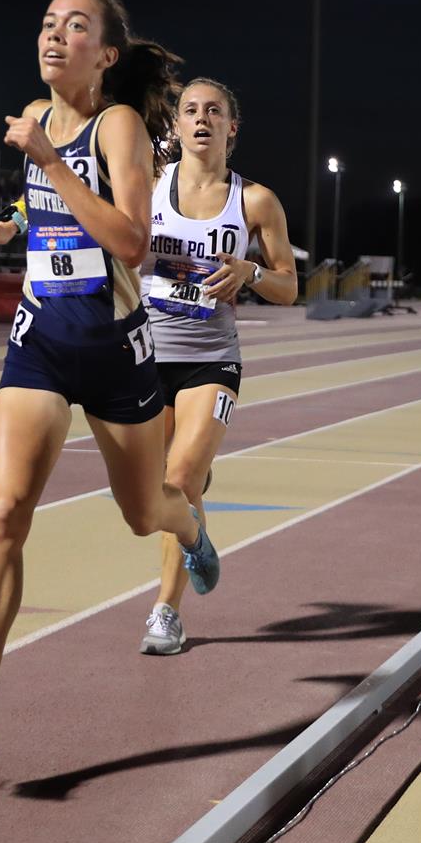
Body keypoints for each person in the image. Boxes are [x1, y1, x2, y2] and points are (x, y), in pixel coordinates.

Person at [0, 0, 217, 750]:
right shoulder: (38, 117)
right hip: (41, 343)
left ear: (107, 54)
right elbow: (49, 208)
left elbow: (130, 241)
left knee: (142, 513)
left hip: (116, 351)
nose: (55, 36)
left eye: (76, 26)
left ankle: (189, 526)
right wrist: (11, 225)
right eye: (48, 24)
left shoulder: (117, 127)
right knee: (4, 512)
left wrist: (52, 161)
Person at [132, 76, 296, 655]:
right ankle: (196, 525)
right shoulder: (147, 183)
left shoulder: (254, 200)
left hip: (211, 360)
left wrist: (250, 273)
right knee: (160, 494)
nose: (201, 119)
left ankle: (165, 613)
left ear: (232, 127)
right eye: (190, 110)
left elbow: (288, 287)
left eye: (214, 111)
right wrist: (14, 223)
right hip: (145, 354)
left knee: (178, 480)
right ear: (175, 126)